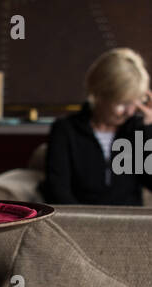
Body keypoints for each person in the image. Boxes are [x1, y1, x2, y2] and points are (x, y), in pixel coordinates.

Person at [43, 47, 152, 205]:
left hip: (130, 225)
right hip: (80, 223)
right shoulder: (65, 130)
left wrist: (149, 129)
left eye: (134, 103)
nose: (129, 112)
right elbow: (57, 191)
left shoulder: (136, 129)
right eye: (123, 103)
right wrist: (86, 225)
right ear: (100, 95)